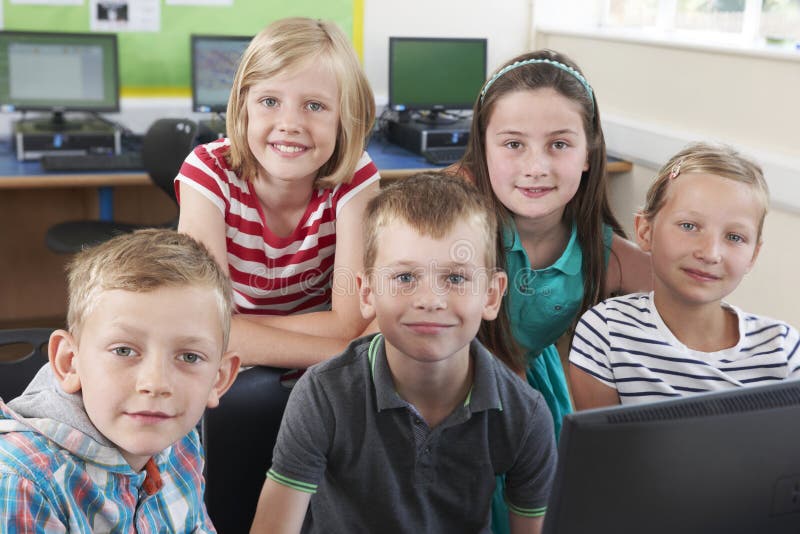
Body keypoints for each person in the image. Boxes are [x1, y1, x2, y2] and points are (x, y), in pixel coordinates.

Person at [250, 173, 557, 534]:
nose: (429, 301)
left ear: (491, 295)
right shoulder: (323, 395)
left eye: (456, 279)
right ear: (366, 293)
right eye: (405, 277)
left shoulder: (526, 414)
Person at [454, 49, 652, 435]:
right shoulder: (447, 217)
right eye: (513, 144)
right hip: (440, 397)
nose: (536, 168)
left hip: (527, 398)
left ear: (588, 154)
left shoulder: (604, 254)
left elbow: (688, 304)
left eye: (559, 145)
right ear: (483, 148)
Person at [0, 229, 240, 532]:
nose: (156, 383)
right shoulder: (22, 484)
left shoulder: (180, 439)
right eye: (124, 350)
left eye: (189, 357)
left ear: (218, 379)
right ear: (69, 362)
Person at [176, 17, 379, 368]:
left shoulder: (356, 176)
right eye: (270, 101)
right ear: (244, 108)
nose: (290, 124)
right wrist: (347, 354)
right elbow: (200, 322)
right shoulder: (207, 171)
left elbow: (350, 320)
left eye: (314, 106)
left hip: (286, 364)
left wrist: (231, 330)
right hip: (258, 364)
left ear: (344, 118)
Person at [569, 142, 800, 409]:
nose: (710, 253)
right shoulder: (606, 331)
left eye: (734, 237)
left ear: (753, 256)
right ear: (645, 232)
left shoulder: (783, 350)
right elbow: (601, 447)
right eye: (689, 226)